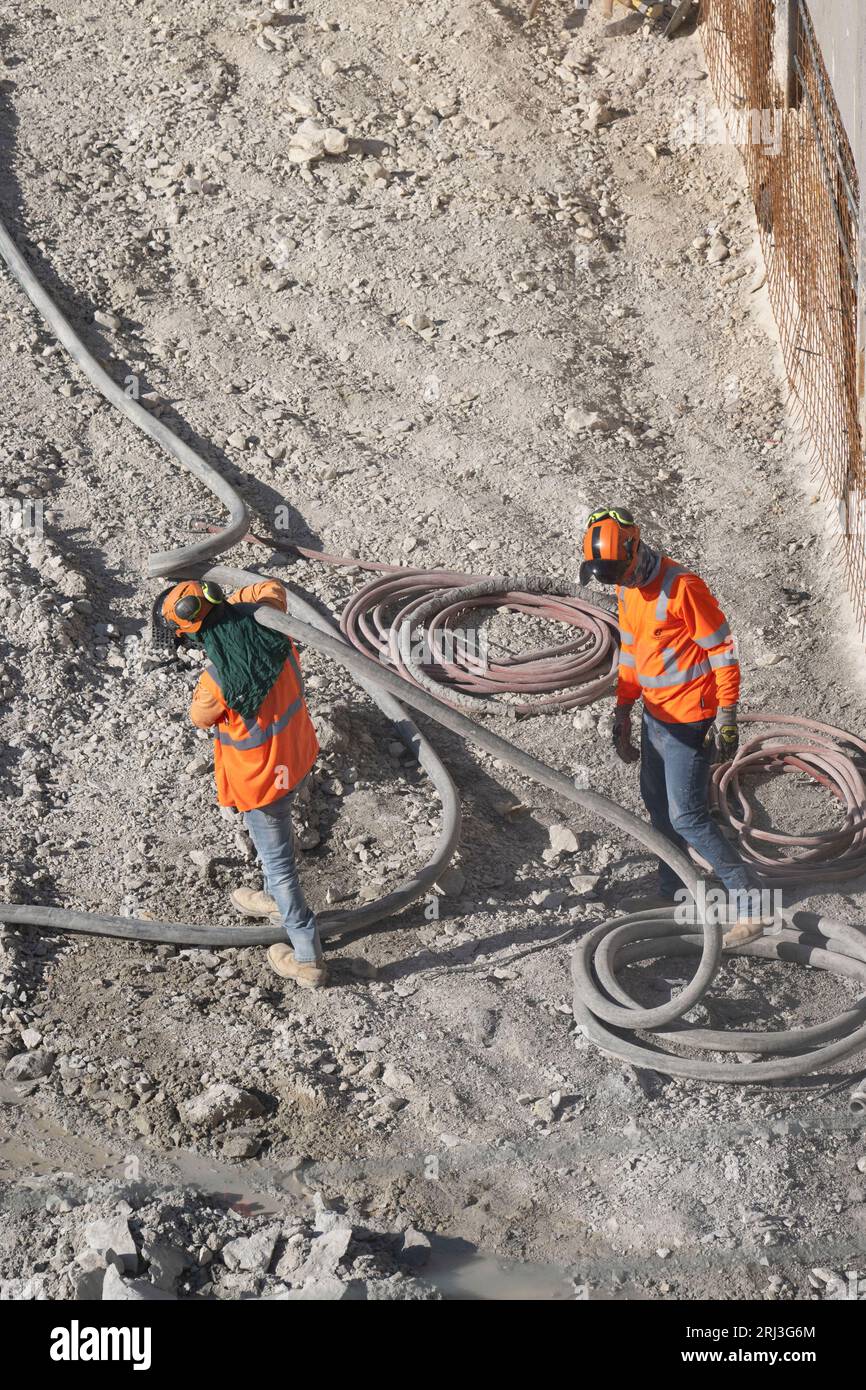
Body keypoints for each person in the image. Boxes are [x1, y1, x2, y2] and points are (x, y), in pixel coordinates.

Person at [578, 506, 764, 947]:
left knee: (689, 819)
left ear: (634, 550)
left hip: (688, 722)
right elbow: (630, 653)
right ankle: (674, 889)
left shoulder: (683, 588)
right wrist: (623, 710)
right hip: (653, 715)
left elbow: (723, 651)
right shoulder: (625, 589)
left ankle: (752, 906)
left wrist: (728, 714)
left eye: (618, 573)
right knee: (657, 806)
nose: (616, 583)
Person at [153, 577, 327, 988]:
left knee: (279, 865)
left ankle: (307, 957)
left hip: (262, 785)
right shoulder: (271, 627)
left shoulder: (216, 681)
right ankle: (271, 902)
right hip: (297, 758)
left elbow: (199, 718)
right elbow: (271, 587)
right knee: (277, 858)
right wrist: (229, 602)